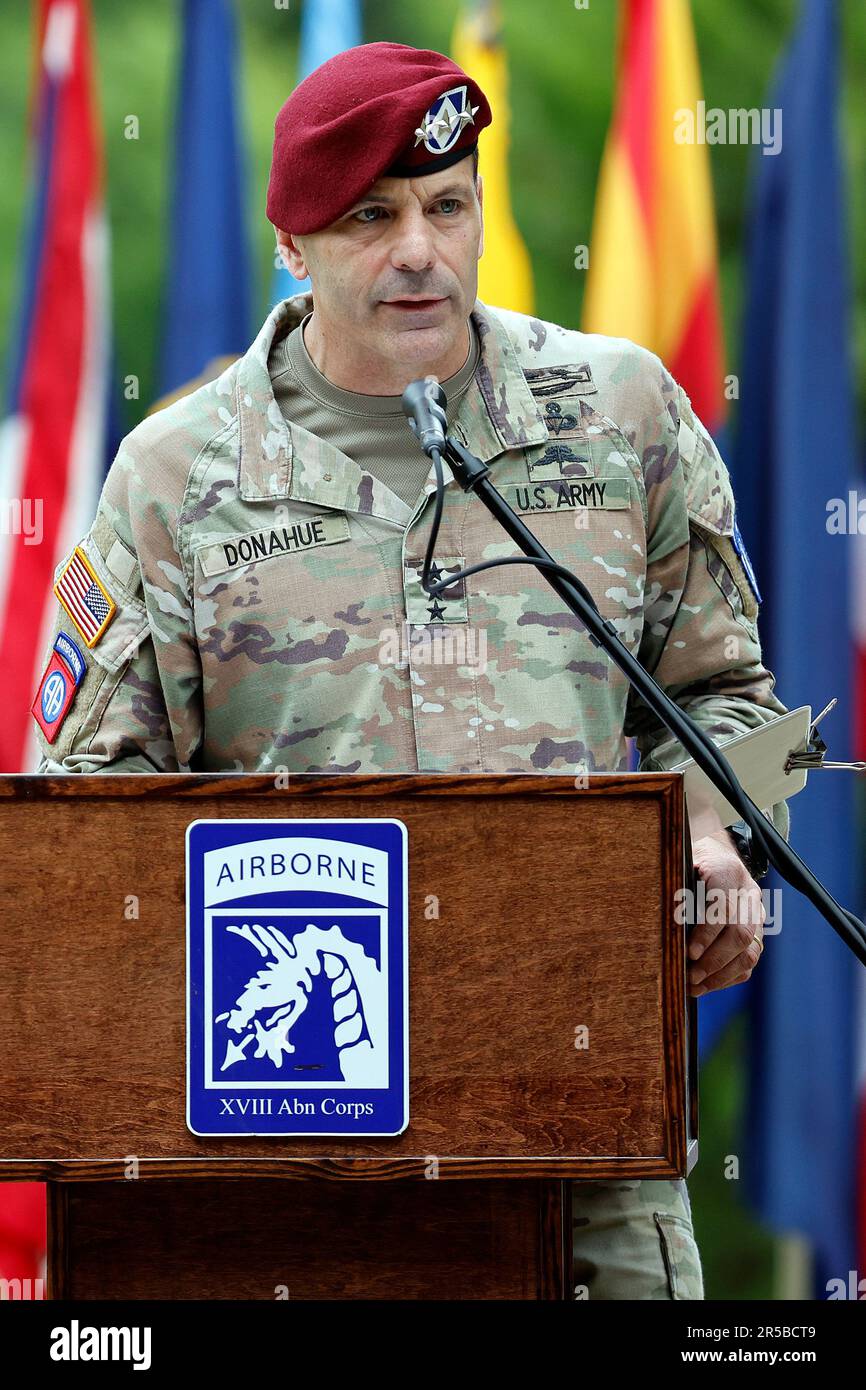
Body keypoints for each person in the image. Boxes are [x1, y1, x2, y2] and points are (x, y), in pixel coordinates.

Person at [33, 41, 789, 1299]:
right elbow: (86, 816)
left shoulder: (619, 415)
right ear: (292, 246)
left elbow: (731, 698)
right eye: (370, 219)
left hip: (582, 1126)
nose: (420, 251)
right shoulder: (174, 477)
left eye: (447, 206)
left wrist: (717, 829)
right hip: (290, 1156)